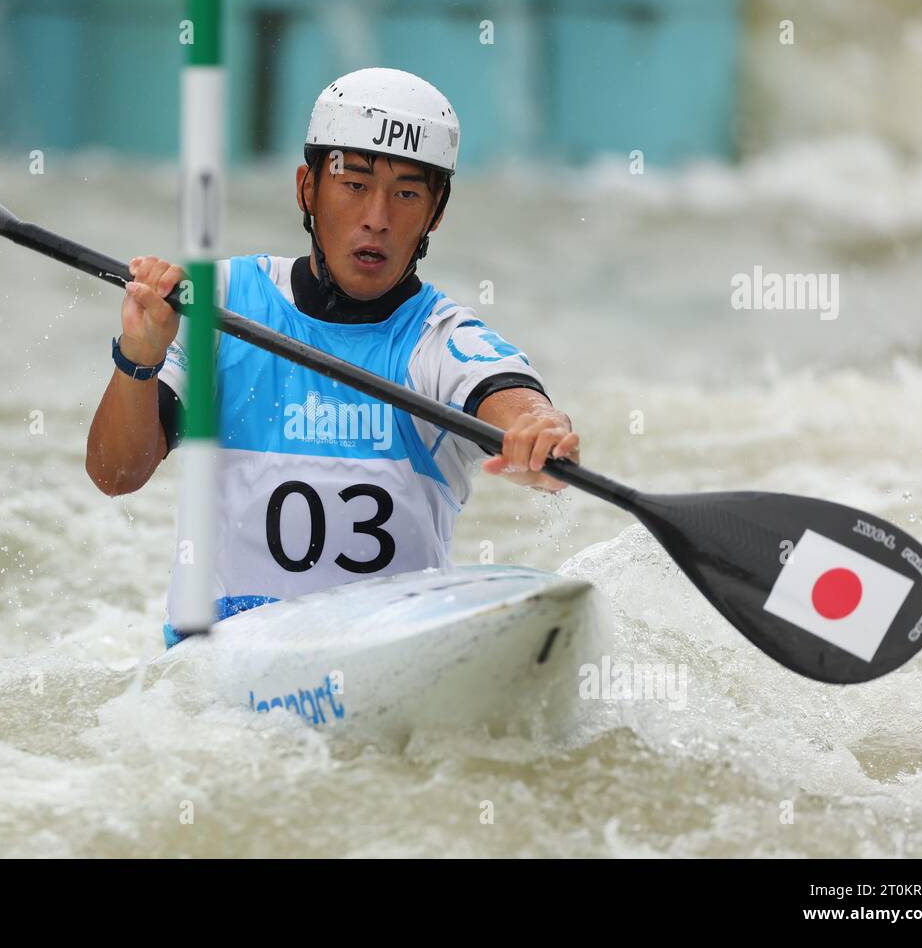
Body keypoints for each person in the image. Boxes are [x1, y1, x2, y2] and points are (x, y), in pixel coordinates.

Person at [86, 67, 580, 647]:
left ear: (435, 213)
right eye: (354, 185)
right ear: (307, 189)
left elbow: (512, 402)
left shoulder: (441, 339)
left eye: (406, 193)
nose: (378, 216)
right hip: (222, 664)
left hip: (386, 656)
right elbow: (115, 474)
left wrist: (540, 433)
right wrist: (139, 358)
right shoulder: (220, 304)